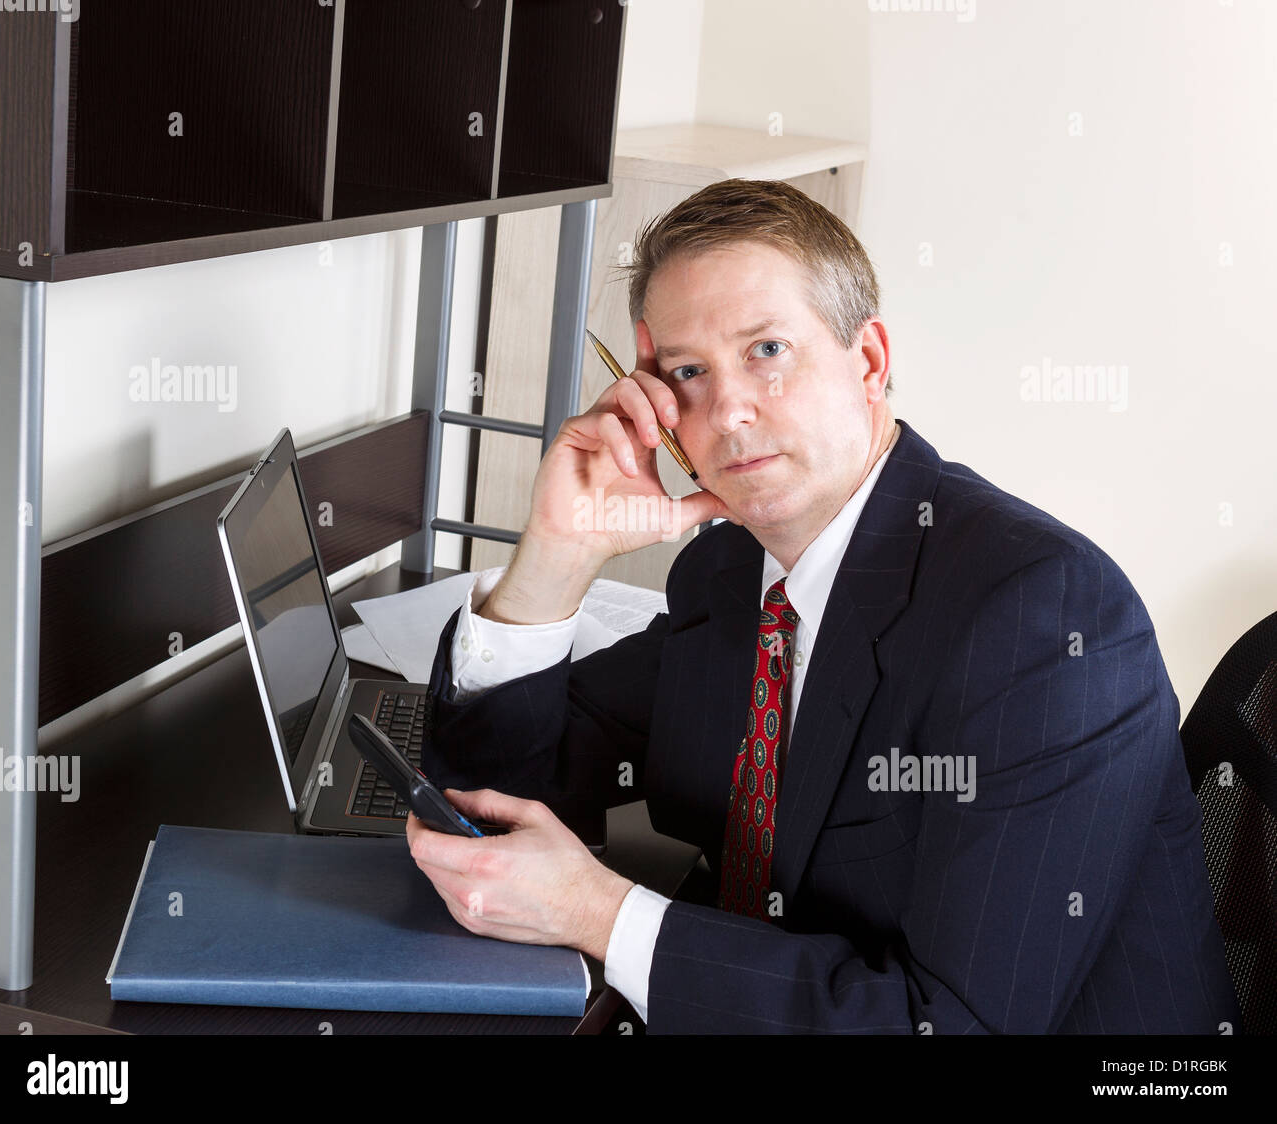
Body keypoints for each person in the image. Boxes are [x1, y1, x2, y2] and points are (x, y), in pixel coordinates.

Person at [405, 178, 1239, 1033]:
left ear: (870, 361)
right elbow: (486, 808)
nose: (728, 410)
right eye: (689, 372)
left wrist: (601, 914)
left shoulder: (1047, 620)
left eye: (768, 350)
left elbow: (951, 1026)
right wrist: (553, 557)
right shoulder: (735, 568)